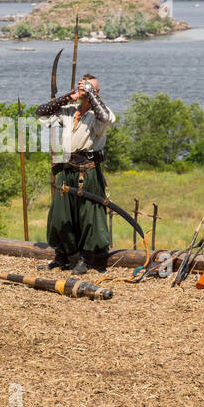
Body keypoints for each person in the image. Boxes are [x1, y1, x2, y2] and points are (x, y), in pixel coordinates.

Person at [35, 74, 115, 275]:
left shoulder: (101, 114)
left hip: (88, 171)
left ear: (97, 93)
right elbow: (41, 113)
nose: (85, 91)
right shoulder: (70, 111)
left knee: (89, 218)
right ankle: (66, 256)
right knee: (60, 217)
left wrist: (89, 91)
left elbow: (105, 117)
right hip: (66, 169)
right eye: (82, 87)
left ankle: (87, 260)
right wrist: (65, 98)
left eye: (90, 88)